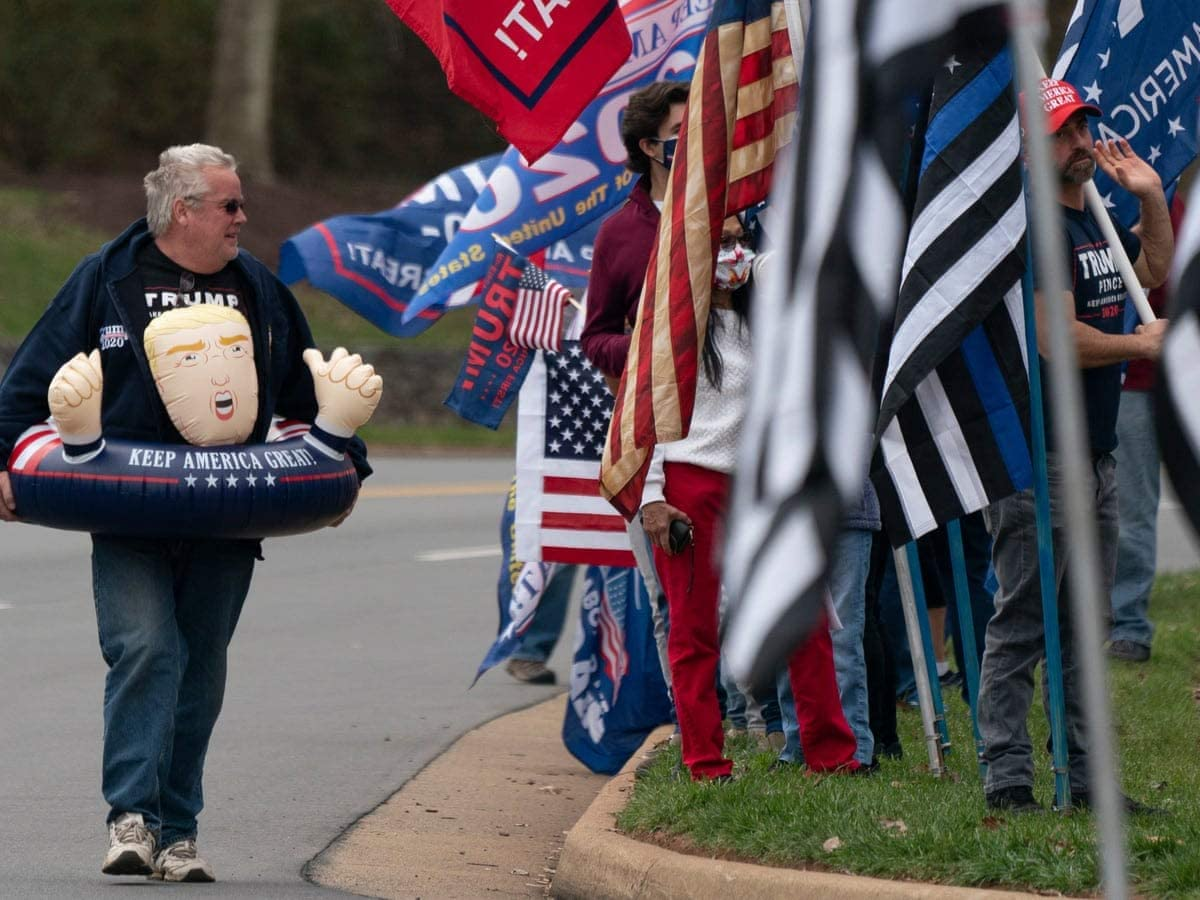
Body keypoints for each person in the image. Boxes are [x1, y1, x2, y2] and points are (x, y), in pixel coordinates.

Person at [0, 144, 372, 881]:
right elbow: (27, 384)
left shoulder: (258, 290)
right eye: (230, 205)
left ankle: (179, 833)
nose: (243, 217)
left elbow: (309, 397)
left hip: (228, 517)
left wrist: (346, 468)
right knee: (145, 648)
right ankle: (130, 818)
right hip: (127, 511)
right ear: (183, 211)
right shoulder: (106, 280)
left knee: (199, 669)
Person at [977, 80, 1172, 814]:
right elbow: (1056, 340)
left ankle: (1087, 779)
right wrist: (1139, 344)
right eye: (1064, 132)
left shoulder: (1089, 217)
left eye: (1085, 127)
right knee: (1025, 620)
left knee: (1087, 625)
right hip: (1037, 457)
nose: (1083, 143)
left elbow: (1149, 274)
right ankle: (1008, 777)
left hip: (1094, 453)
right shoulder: (1032, 225)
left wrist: (1151, 197)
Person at [639, 216, 860, 781]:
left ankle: (831, 754)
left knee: (804, 618)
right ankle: (705, 762)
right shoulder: (672, 325)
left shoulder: (771, 317)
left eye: (741, 240)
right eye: (722, 241)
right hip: (692, 482)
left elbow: (806, 260)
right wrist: (652, 497)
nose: (735, 252)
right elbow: (645, 418)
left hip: (765, 486)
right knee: (694, 632)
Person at [581, 80, 689, 705]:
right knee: (667, 591)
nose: (693, 139)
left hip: (735, 420)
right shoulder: (620, 234)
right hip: (653, 433)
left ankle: (756, 721)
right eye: (679, 133)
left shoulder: (732, 210)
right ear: (650, 146)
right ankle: (692, 724)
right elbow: (595, 338)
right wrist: (650, 347)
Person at [1109, 194, 1186, 663]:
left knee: (1132, 509)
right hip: (1122, 378)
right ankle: (1120, 621)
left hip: (1163, 380)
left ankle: (1129, 623)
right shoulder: (1106, 203)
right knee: (1122, 508)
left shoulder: (1179, 207)